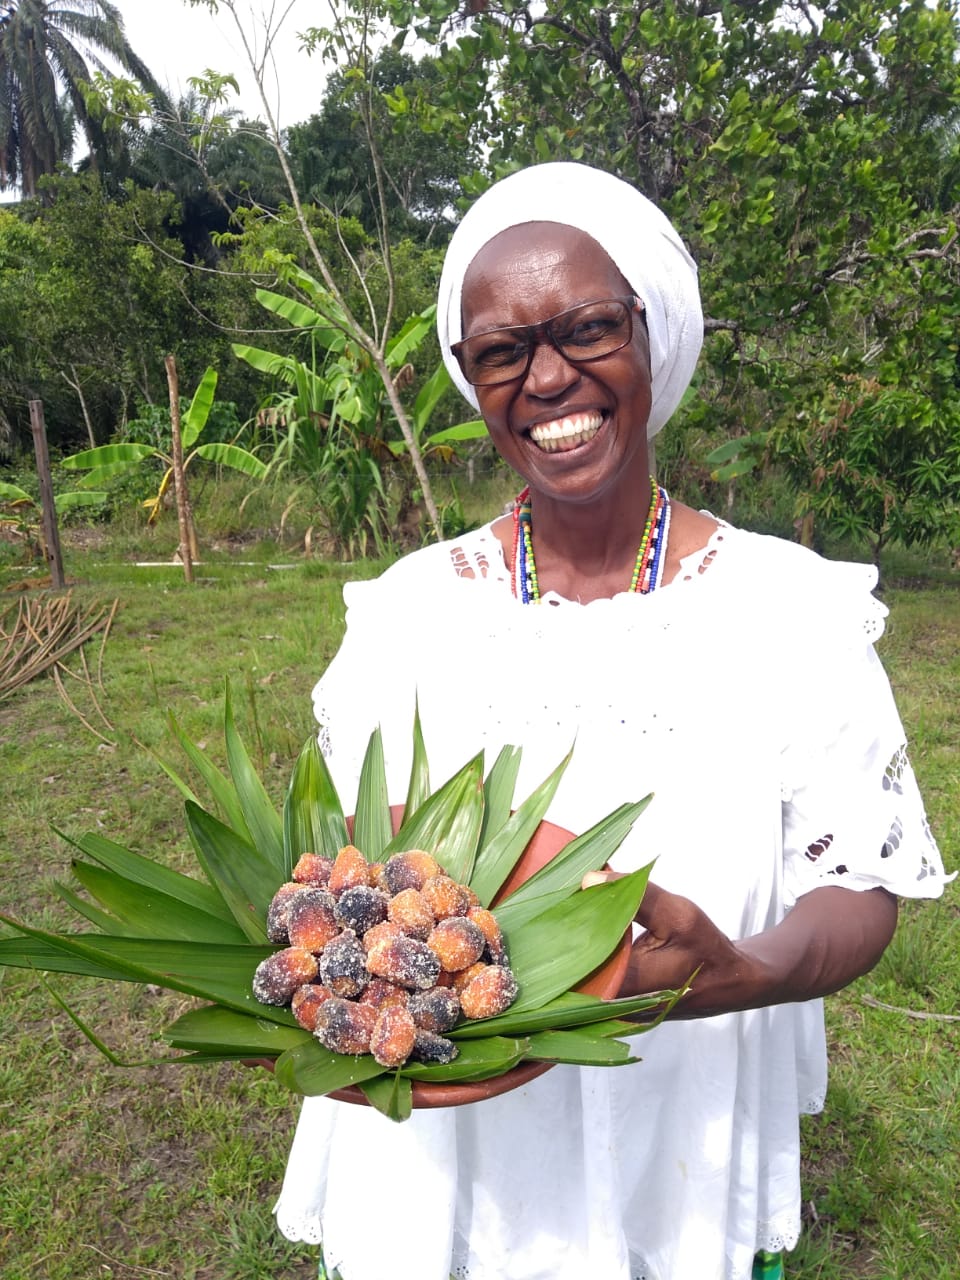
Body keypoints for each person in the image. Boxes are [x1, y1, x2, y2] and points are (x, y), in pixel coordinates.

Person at [274, 162, 950, 1280]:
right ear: (471, 375)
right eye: (501, 348)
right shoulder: (406, 616)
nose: (547, 376)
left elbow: (860, 884)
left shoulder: (788, 610)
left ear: (653, 334)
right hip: (440, 1162)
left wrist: (739, 970)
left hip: (680, 1144)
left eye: (586, 326)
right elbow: (340, 885)